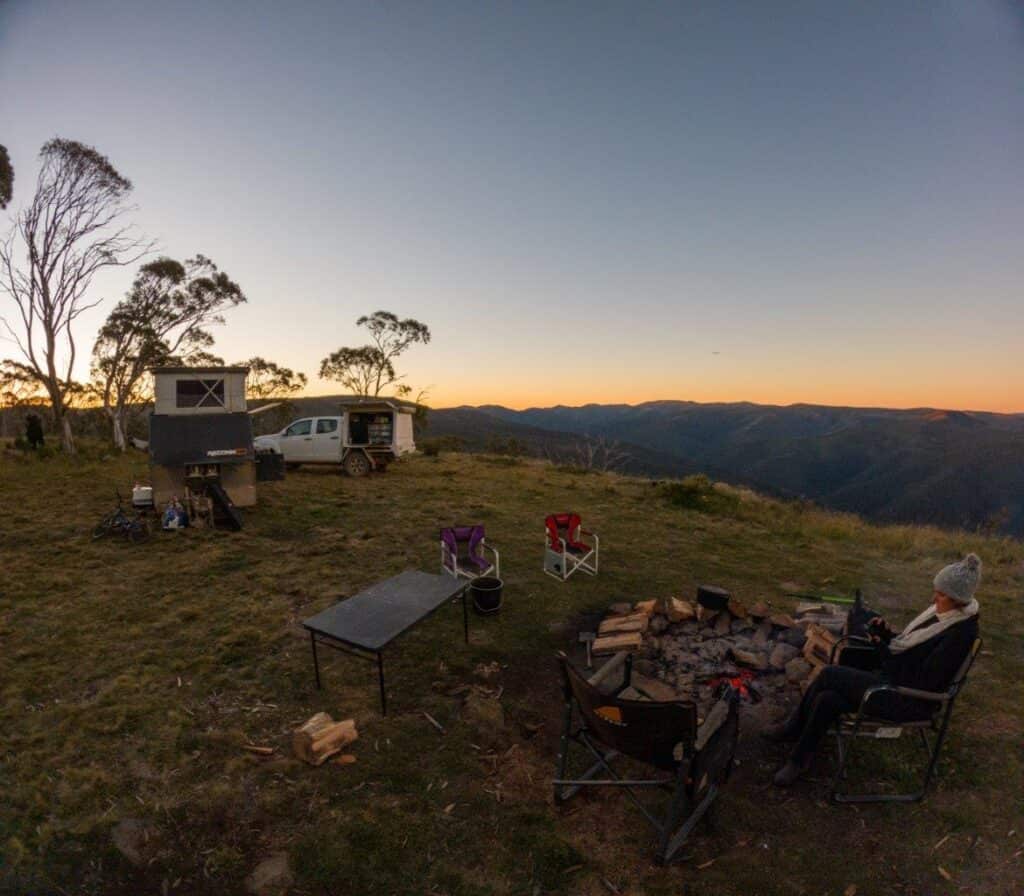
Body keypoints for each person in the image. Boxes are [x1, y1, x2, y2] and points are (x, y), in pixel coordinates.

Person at [765, 553, 981, 786]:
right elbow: (912, 649)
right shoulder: (944, 616)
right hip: (895, 682)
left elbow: (922, 680)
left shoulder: (959, 634)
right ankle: (799, 759)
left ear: (958, 599)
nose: (933, 598)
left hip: (910, 699)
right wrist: (886, 636)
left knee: (829, 675)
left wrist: (882, 649)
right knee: (828, 698)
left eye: (941, 594)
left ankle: (792, 729)